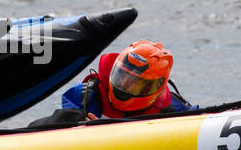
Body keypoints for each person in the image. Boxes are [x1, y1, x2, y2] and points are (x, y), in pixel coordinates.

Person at [60, 40, 193, 120]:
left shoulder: (172, 108)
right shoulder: (86, 95)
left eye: (134, 83)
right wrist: (81, 127)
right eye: (121, 76)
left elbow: (201, 120)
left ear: (152, 87)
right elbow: (59, 123)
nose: (123, 84)